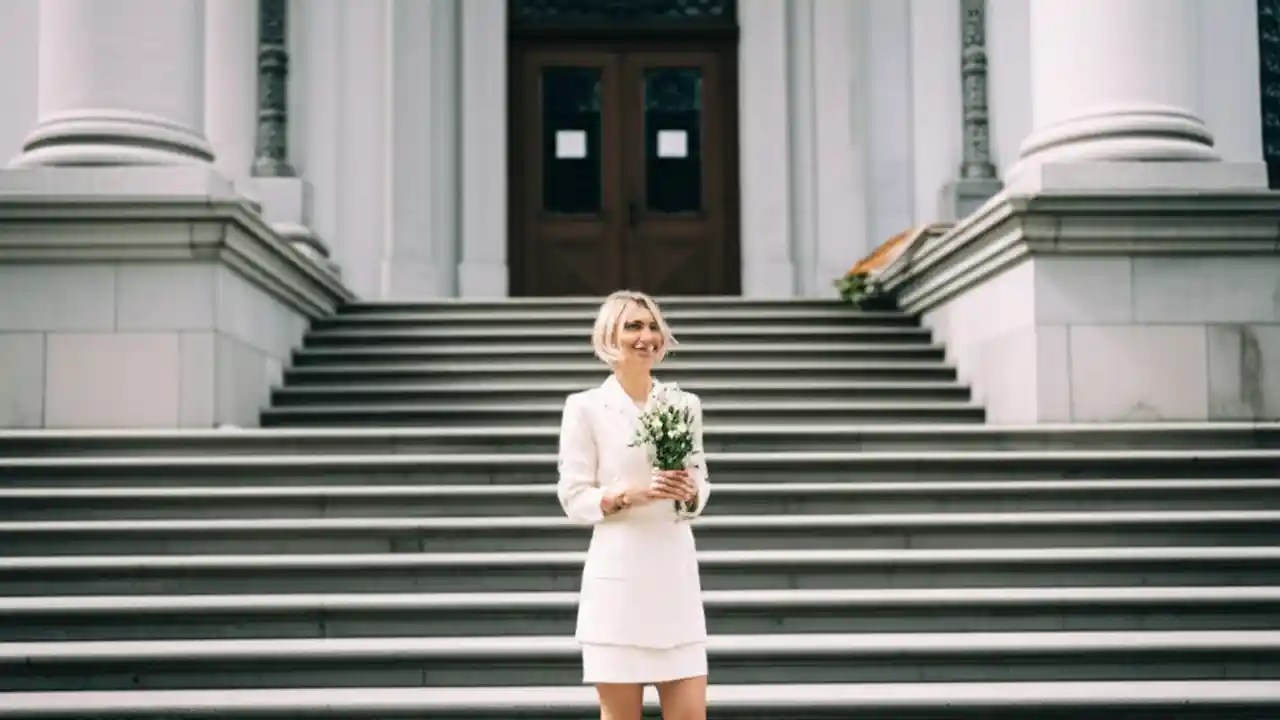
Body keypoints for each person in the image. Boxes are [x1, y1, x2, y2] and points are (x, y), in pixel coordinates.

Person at [556, 289, 712, 720]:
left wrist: (690, 492)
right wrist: (626, 495)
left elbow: (701, 482)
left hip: (674, 580)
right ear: (609, 336)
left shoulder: (684, 404)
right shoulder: (585, 408)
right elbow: (573, 496)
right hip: (618, 585)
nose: (646, 336)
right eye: (633, 326)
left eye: (652, 326)